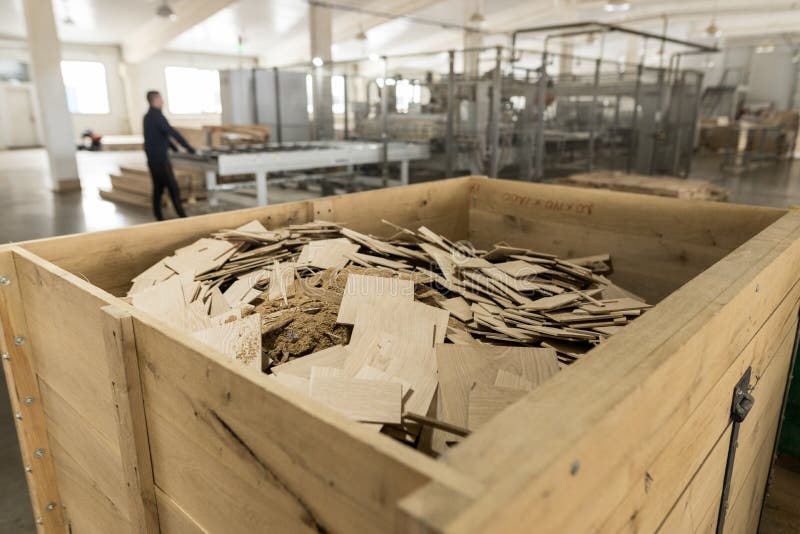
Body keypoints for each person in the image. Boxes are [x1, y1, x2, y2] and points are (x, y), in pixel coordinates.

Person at [142, 90, 196, 220]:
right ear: (155, 100)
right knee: (172, 187)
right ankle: (182, 215)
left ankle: (158, 215)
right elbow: (171, 132)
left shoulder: (148, 116)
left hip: (152, 159)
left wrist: (175, 148)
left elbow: (161, 135)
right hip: (160, 159)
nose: (163, 101)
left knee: (158, 187)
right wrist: (189, 148)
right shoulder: (156, 116)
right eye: (161, 99)